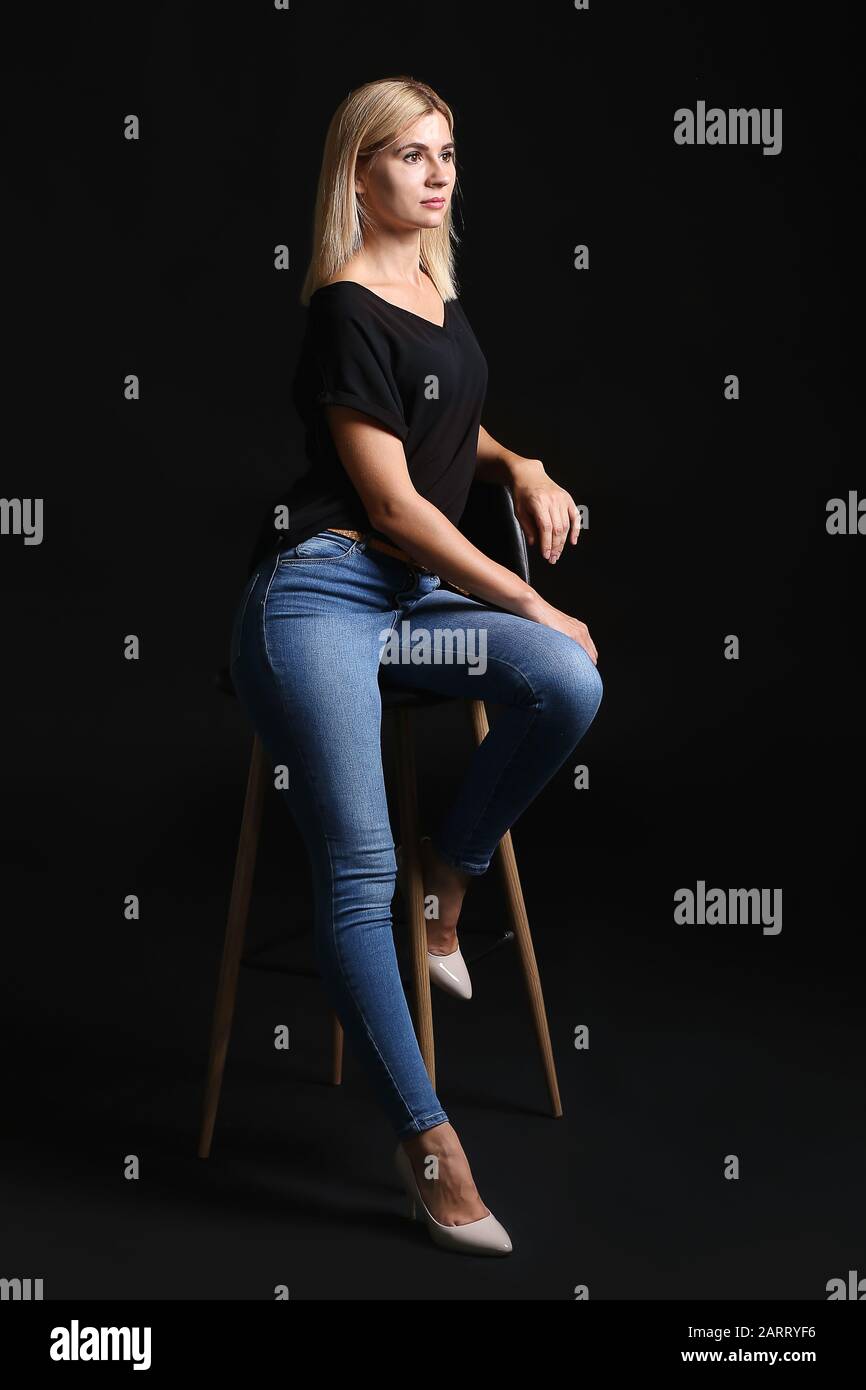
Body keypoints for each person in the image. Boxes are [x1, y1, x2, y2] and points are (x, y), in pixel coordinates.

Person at [229, 75, 603, 1256]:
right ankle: (428, 1141)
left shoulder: (430, 289)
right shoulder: (344, 304)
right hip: (323, 597)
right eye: (407, 155)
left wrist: (521, 464)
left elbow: (445, 428)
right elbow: (389, 503)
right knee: (353, 866)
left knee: (567, 685)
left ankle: (453, 871)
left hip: (411, 604)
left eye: (445, 152)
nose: (436, 173)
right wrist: (530, 595)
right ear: (358, 175)